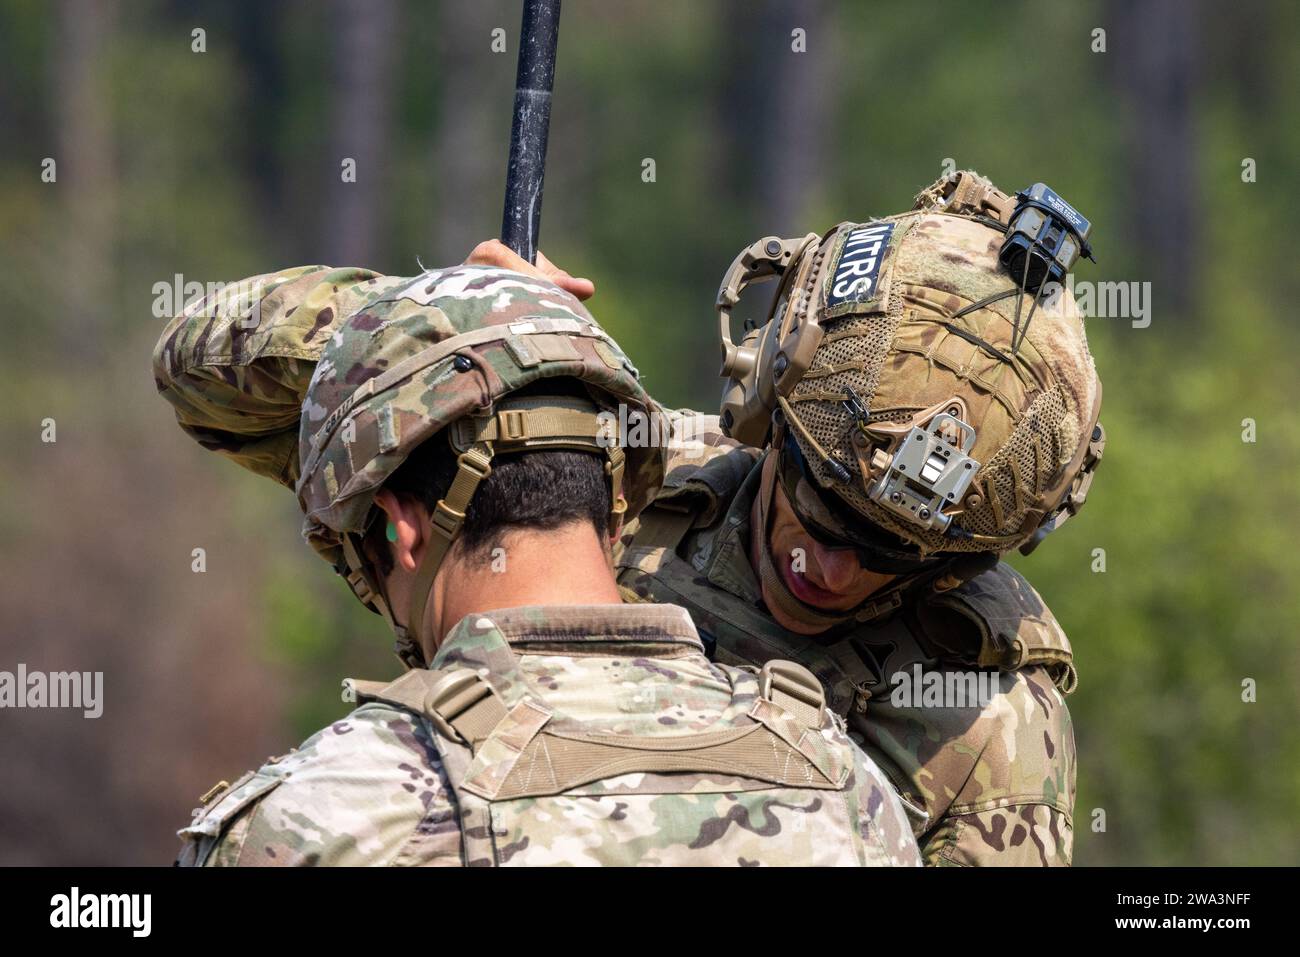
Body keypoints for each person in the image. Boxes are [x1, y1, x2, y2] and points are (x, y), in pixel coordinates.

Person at [154, 261, 921, 866]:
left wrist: (455, 308)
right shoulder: (845, 786)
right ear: (617, 511)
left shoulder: (325, 818)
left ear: (399, 532)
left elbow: (193, 359)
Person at [471, 170, 1104, 865]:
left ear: (954, 564)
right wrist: (458, 341)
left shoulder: (992, 724)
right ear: (768, 417)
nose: (831, 569)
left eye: (889, 553)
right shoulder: (630, 489)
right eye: (819, 512)